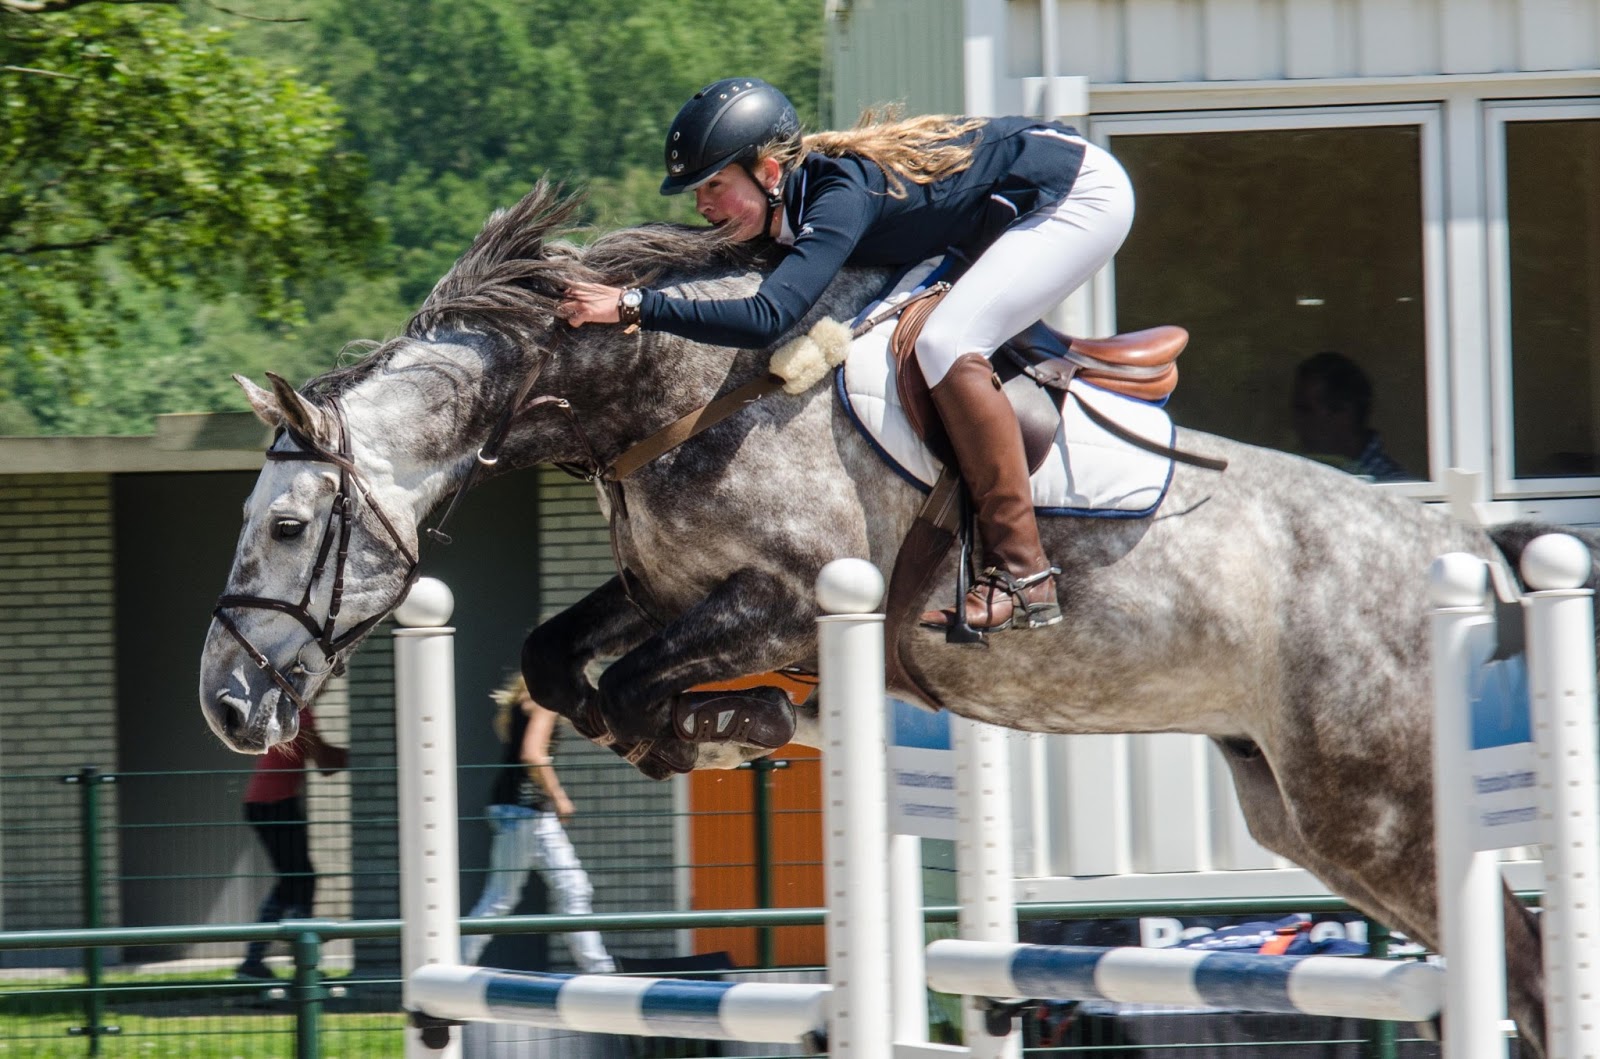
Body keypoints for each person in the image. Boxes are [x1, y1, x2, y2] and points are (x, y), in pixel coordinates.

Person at [557, 78, 1136, 632]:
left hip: (1076, 193)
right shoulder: (792, 200)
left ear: (769, 172)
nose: (703, 204)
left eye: (715, 185)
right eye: (697, 191)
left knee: (945, 342)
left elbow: (767, 318)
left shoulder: (839, 195)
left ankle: (1023, 570)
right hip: (999, 203)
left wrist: (635, 305)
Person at [460, 674, 614, 973]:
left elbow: (512, 740)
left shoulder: (525, 700)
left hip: (518, 809)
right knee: (511, 896)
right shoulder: (546, 701)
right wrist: (559, 797)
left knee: (566, 889)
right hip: (526, 811)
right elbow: (533, 753)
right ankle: (600, 971)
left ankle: (600, 969)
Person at [236, 707, 348, 980]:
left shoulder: (294, 711)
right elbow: (324, 763)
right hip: (275, 804)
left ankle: (255, 962)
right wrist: (367, 757)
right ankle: (301, 964)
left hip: (266, 803)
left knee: (292, 882)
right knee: (301, 880)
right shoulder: (300, 713)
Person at [1290, 351, 1410, 482]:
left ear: (1343, 413)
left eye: (1304, 409)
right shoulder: (1310, 475)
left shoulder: (1391, 485)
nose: (1296, 422)